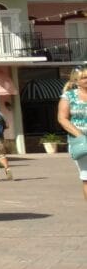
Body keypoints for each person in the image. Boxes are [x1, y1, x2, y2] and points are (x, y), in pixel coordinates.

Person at [56, 67, 87, 204]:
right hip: (81, 141)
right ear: (76, 81)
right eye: (84, 78)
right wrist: (80, 136)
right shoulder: (69, 96)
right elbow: (62, 118)